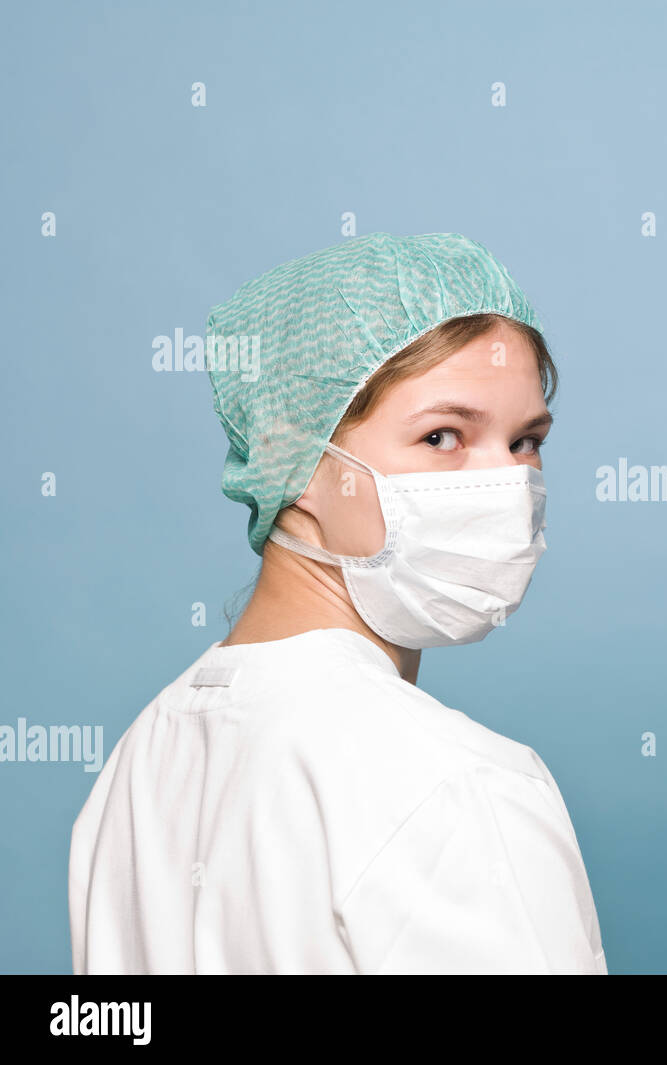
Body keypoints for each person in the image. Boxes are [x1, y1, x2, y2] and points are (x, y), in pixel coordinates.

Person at [68, 232, 606, 974]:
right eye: (442, 436)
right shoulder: (458, 784)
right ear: (294, 457)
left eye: (525, 441)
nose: (507, 485)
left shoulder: (142, 762)